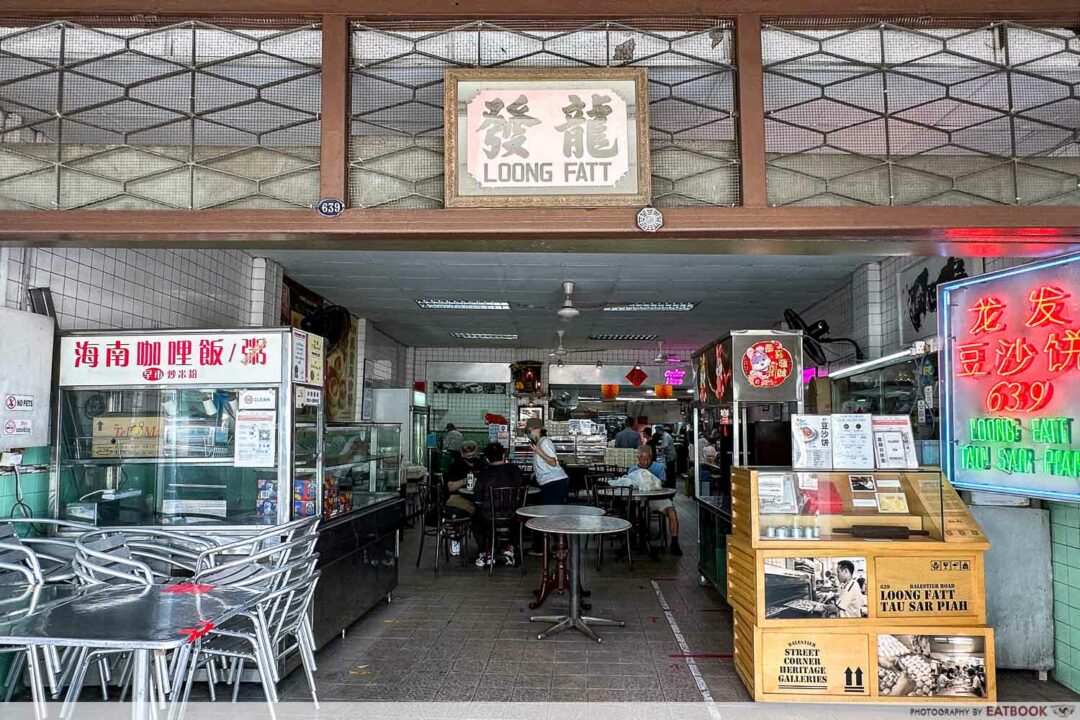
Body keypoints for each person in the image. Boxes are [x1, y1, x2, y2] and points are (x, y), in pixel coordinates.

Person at [472, 442, 524, 568]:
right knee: (519, 515)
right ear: (503, 455)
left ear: (487, 458)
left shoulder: (483, 475)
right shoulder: (515, 471)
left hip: (489, 519)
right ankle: (510, 547)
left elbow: (477, 501)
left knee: (475, 518)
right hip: (513, 517)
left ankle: (486, 551)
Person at [627, 445, 682, 556]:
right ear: (638, 458)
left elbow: (664, 483)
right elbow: (630, 486)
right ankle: (644, 541)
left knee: (672, 513)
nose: (645, 462)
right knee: (643, 514)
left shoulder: (659, 467)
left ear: (651, 457)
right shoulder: (633, 470)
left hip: (660, 499)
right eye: (643, 459)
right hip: (644, 500)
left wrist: (654, 483)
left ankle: (675, 542)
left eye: (648, 459)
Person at [443, 440, 486, 556]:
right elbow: (450, 487)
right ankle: (456, 538)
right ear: (461, 454)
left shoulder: (481, 464)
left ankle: (486, 547)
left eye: (472, 455)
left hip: (478, 497)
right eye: (467, 456)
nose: (470, 458)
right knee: (475, 512)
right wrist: (465, 481)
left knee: (484, 511)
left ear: (476, 452)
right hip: (459, 498)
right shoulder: (456, 465)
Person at [528, 421, 569, 505]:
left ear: (537, 430)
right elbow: (543, 462)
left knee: (552, 513)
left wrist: (539, 452)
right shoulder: (539, 443)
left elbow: (553, 462)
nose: (528, 434)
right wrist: (536, 472)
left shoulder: (545, 442)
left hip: (555, 483)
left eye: (529, 431)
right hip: (548, 481)